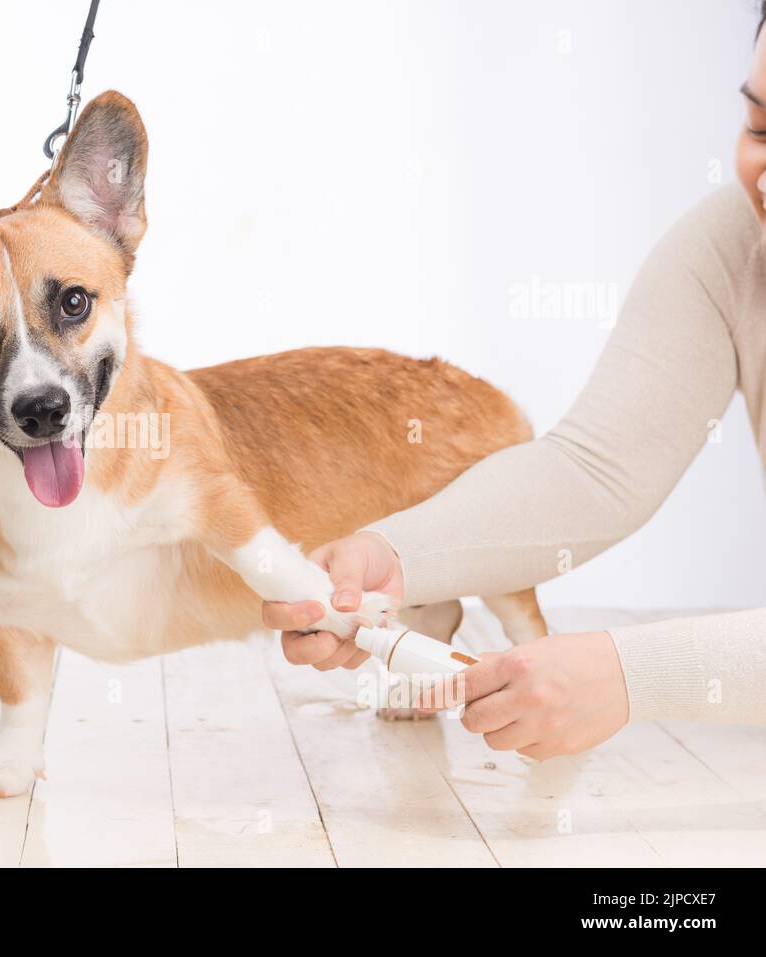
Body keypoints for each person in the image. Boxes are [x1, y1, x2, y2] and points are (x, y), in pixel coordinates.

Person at [262, 5, 766, 760]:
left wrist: (631, 676)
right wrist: (395, 554)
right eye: (759, 126)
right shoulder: (733, 244)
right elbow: (597, 469)